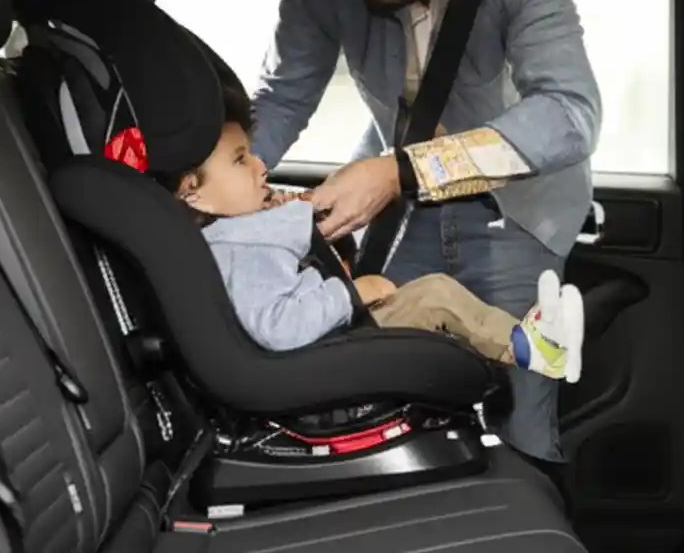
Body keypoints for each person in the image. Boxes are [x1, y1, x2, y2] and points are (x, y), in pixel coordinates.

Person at [249, 0, 601, 478]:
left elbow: (569, 114)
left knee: (518, 417)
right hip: (403, 214)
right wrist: (224, 190)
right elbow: (282, 96)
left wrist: (400, 171)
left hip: (514, 213)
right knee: (389, 404)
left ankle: (526, 546)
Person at [141, 87, 584, 382]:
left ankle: (523, 344)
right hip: (317, 352)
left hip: (328, 339)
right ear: (192, 193)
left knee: (436, 294)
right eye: (241, 161)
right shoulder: (239, 250)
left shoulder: (241, 233)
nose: (261, 165)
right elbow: (277, 326)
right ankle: (527, 347)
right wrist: (352, 294)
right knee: (435, 296)